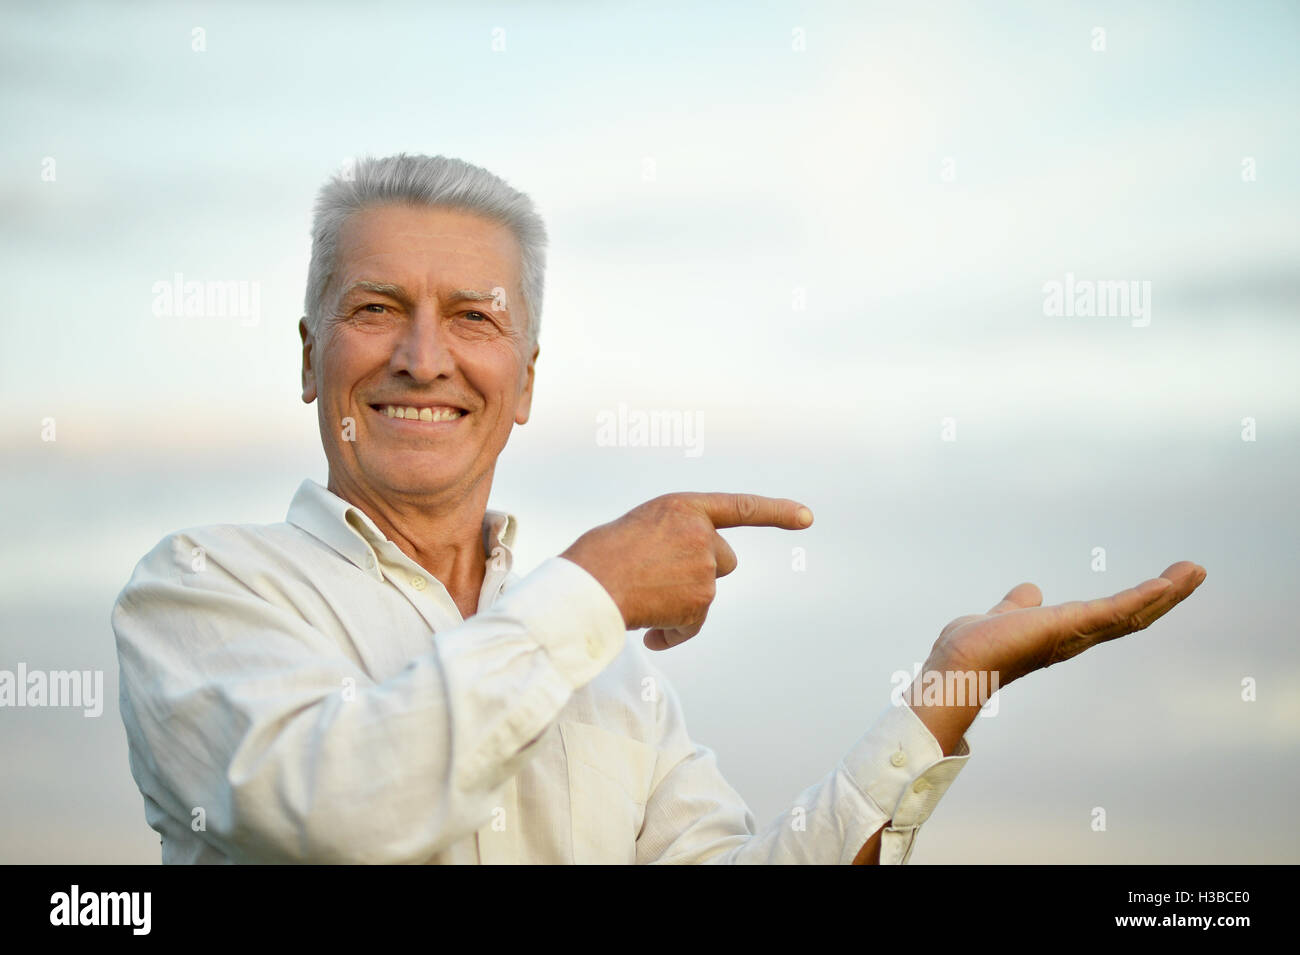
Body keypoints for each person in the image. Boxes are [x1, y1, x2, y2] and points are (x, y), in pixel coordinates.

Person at [110, 153, 1206, 864]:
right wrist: (592, 589)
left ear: (526, 380)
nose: (423, 356)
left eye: (474, 319)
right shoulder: (204, 586)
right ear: (310, 359)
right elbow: (339, 813)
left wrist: (947, 691)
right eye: (375, 307)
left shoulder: (609, 674)